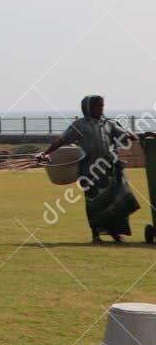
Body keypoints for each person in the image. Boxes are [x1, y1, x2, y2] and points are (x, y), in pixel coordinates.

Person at [38, 95, 141, 243]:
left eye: (102, 105)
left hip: (110, 170)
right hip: (90, 171)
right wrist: (45, 153)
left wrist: (141, 134)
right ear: (88, 108)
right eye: (98, 106)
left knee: (116, 202)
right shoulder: (79, 126)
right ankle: (96, 234)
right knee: (94, 202)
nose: (101, 108)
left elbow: (124, 135)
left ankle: (115, 232)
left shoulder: (109, 124)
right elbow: (62, 140)